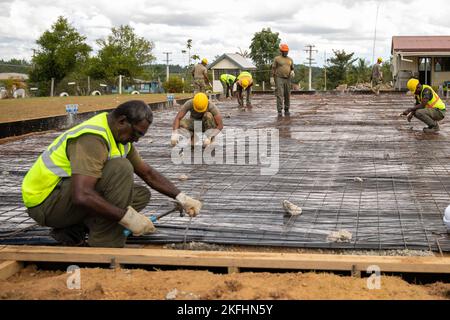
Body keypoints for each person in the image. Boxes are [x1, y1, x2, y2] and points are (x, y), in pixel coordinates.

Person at [21, 100, 202, 248]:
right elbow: (81, 195)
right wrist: (128, 218)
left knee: (139, 195)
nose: (137, 139)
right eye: (136, 133)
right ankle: (105, 242)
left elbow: (148, 173)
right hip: (46, 203)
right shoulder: (92, 139)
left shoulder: (119, 136)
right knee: (121, 168)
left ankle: (72, 229)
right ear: (122, 121)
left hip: (63, 197)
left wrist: (182, 198)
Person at [272, 43, 294, 117]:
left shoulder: (290, 59)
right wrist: (272, 78)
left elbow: (292, 68)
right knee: (280, 94)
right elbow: (273, 69)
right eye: (284, 51)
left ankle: (287, 109)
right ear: (281, 51)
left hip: (288, 79)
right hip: (279, 78)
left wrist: (292, 72)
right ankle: (279, 110)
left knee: (287, 94)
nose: (285, 52)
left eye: (286, 51)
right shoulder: (277, 59)